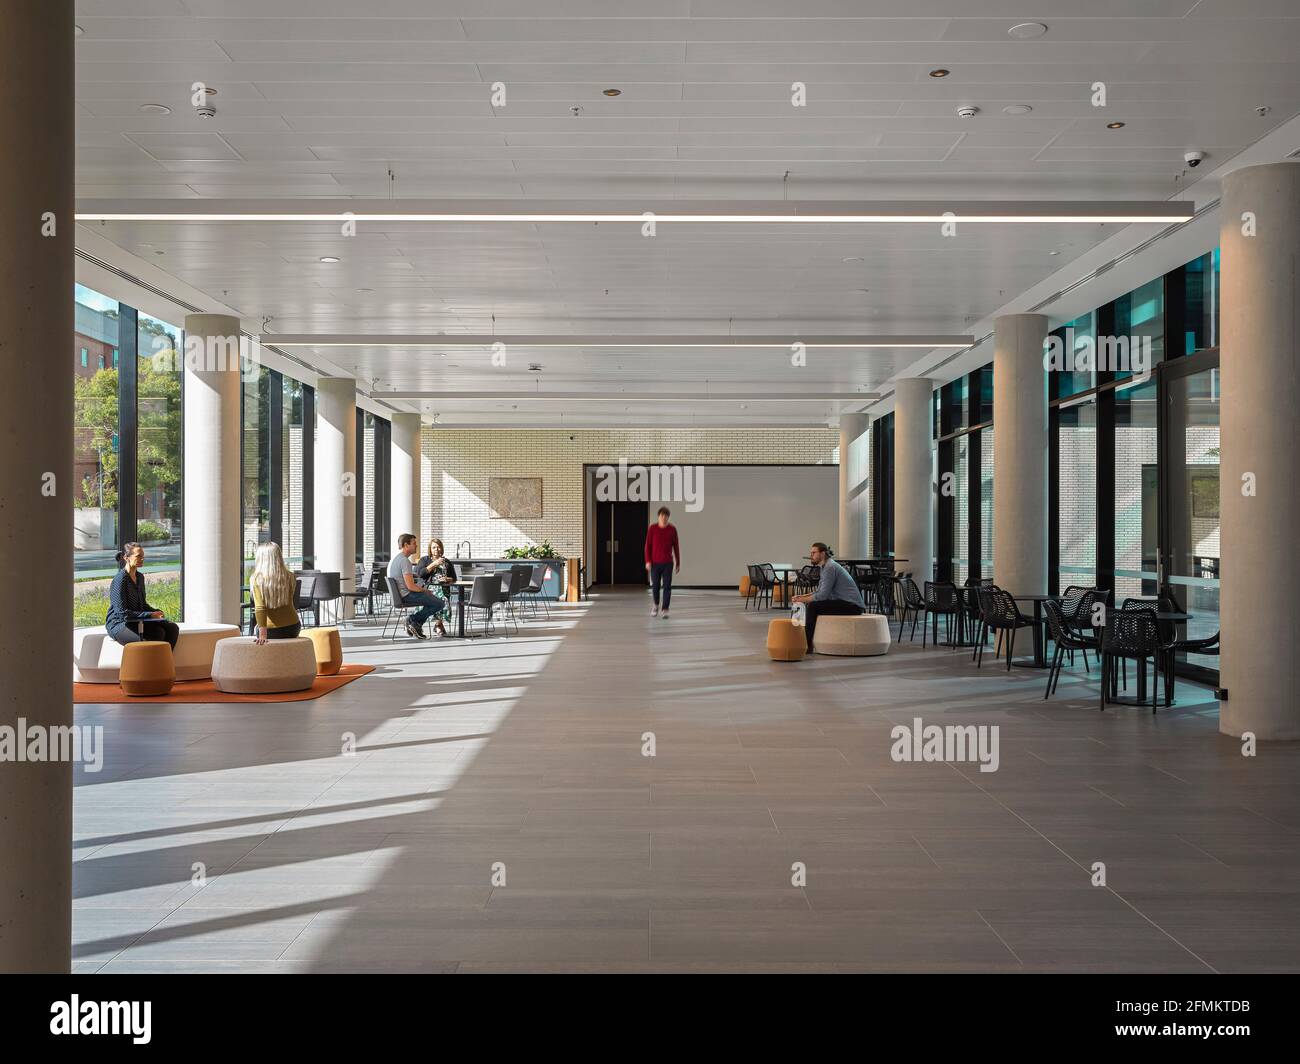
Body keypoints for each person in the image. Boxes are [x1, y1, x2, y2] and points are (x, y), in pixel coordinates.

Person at [791, 542, 864, 652]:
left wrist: (803, 600)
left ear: (823, 554)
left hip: (852, 606)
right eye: (811, 553)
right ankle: (799, 640)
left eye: (814, 553)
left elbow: (822, 596)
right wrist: (801, 597)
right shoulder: (825, 567)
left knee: (812, 606)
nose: (811, 555)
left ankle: (806, 645)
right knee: (804, 604)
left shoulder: (830, 567)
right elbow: (819, 591)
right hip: (844, 602)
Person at [106, 542, 179, 650]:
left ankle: (164, 663)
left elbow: (142, 605)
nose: (142, 559)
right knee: (157, 634)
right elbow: (122, 614)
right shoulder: (120, 580)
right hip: (120, 624)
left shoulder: (140, 577)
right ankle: (153, 666)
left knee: (172, 628)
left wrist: (156, 612)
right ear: (127, 557)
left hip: (136, 621)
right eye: (138, 556)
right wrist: (149, 615)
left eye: (143, 556)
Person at [388, 533, 446, 640]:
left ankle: (415, 625)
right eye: (414, 543)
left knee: (432, 601)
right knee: (439, 603)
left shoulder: (395, 559)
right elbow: (410, 586)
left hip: (400, 595)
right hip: (407, 595)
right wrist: (424, 591)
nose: (416, 546)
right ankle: (412, 620)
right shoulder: (405, 561)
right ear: (406, 545)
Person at [250, 542, 301, 644]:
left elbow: (260, 608)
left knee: (256, 629)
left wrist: (263, 635)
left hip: (270, 631)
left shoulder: (257, 579)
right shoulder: (290, 576)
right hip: (293, 627)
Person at [644, 506, 681, 619]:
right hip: (655, 563)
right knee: (655, 586)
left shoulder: (672, 529)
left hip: (667, 563)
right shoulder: (652, 529)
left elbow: (676, 546)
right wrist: (648, 561)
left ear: (668, 517)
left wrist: (678, 562)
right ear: (658, 516)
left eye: (666, 516)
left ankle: (665, 609)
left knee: (667, 587)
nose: (664, 517)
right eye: (662, 515)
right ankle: (655, 605)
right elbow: (647, 546)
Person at [415, 538, 457, 637]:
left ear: (441, 549)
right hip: (428, 588)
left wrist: (447, 579)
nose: (436, 549)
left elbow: (454, 578)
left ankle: (438, 624)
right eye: (434, 547)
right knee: (433, 601)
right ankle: (416, 622)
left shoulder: (446, 562)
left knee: (444, 600)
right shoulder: (424, 560)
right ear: (430, 549)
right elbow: (420, 574)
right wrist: (434, 564)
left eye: (438, 547)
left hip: (443, 588)